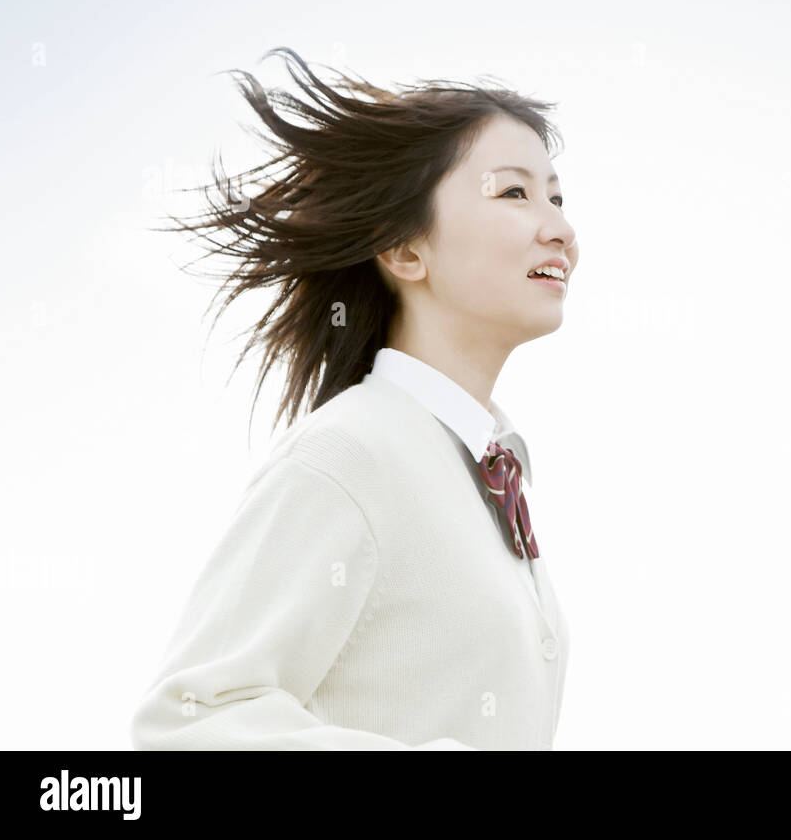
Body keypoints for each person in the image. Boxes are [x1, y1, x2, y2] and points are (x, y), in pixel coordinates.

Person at [129, 47, 579, 749]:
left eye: (558, 196)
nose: (559, 228)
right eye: (514, 193)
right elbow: (191, 720)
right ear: (404, 250)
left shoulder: (491, 472)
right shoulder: (352, 451)